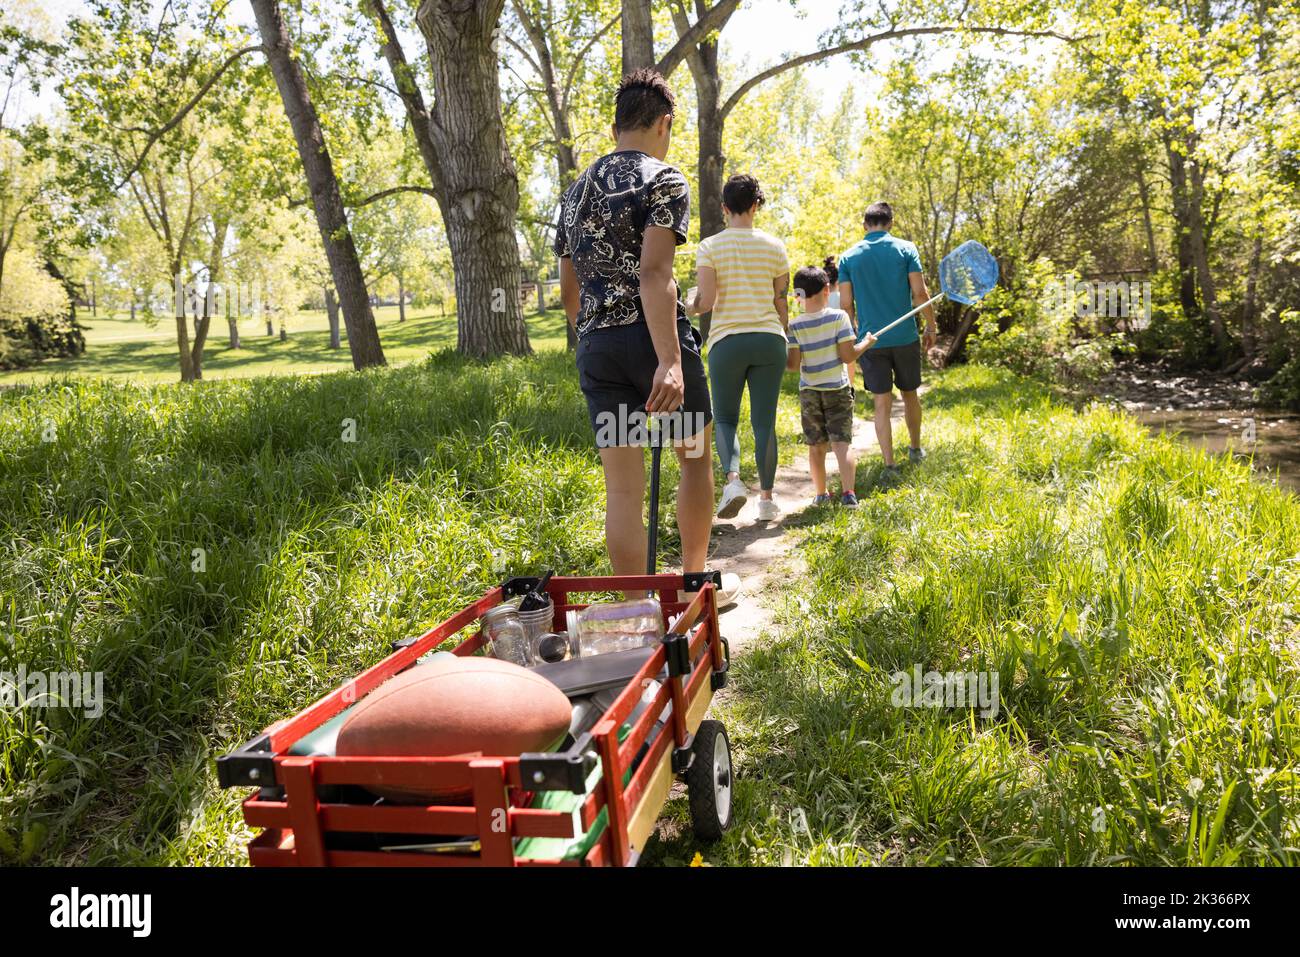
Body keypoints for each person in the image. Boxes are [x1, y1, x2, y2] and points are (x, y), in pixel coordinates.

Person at [555, 69, 740, 606]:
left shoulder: (573, 194)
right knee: (695, 458)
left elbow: (570, 289)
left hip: (599, 350)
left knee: (623, 489)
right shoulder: (663, 179)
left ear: (616, 125)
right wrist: (669, 362)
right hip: (656, 345)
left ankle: (636, 607)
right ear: (663, 123)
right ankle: (691, 586)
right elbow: (655, 274)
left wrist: (593, 338)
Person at [687, 174, 790, 523]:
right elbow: (780, 300)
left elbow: (707, 301)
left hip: (727, 342)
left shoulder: (710, 246)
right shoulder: (775, 246)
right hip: (769, 340)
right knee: (765, 423)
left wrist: (688, 303)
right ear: (756, 205)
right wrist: (785, 334)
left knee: (727, 418)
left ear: (724, 208)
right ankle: (767, 500)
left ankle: (733, 482)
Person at [837, 202, 937, 483]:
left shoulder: (848, 257)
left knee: (881, 402)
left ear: (865, 224)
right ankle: (915, 449)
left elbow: (846, 304)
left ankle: (890, 464)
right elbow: (920, 293)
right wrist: (931, 325)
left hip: (871, 341)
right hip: (905, 336)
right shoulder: (906, 249)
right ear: (890, 223)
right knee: (910, 394)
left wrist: (853, 339)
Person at [785, 265, 877, 507]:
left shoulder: (794, 326)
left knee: (815, 446)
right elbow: (848, 357)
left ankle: (821, 494)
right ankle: (848, 495)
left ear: (798, 295)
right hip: (837, 388)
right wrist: (866, 342)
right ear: (827, 289)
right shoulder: (839, 317)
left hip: (810, 391)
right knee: (841, 444)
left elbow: (793, 365)